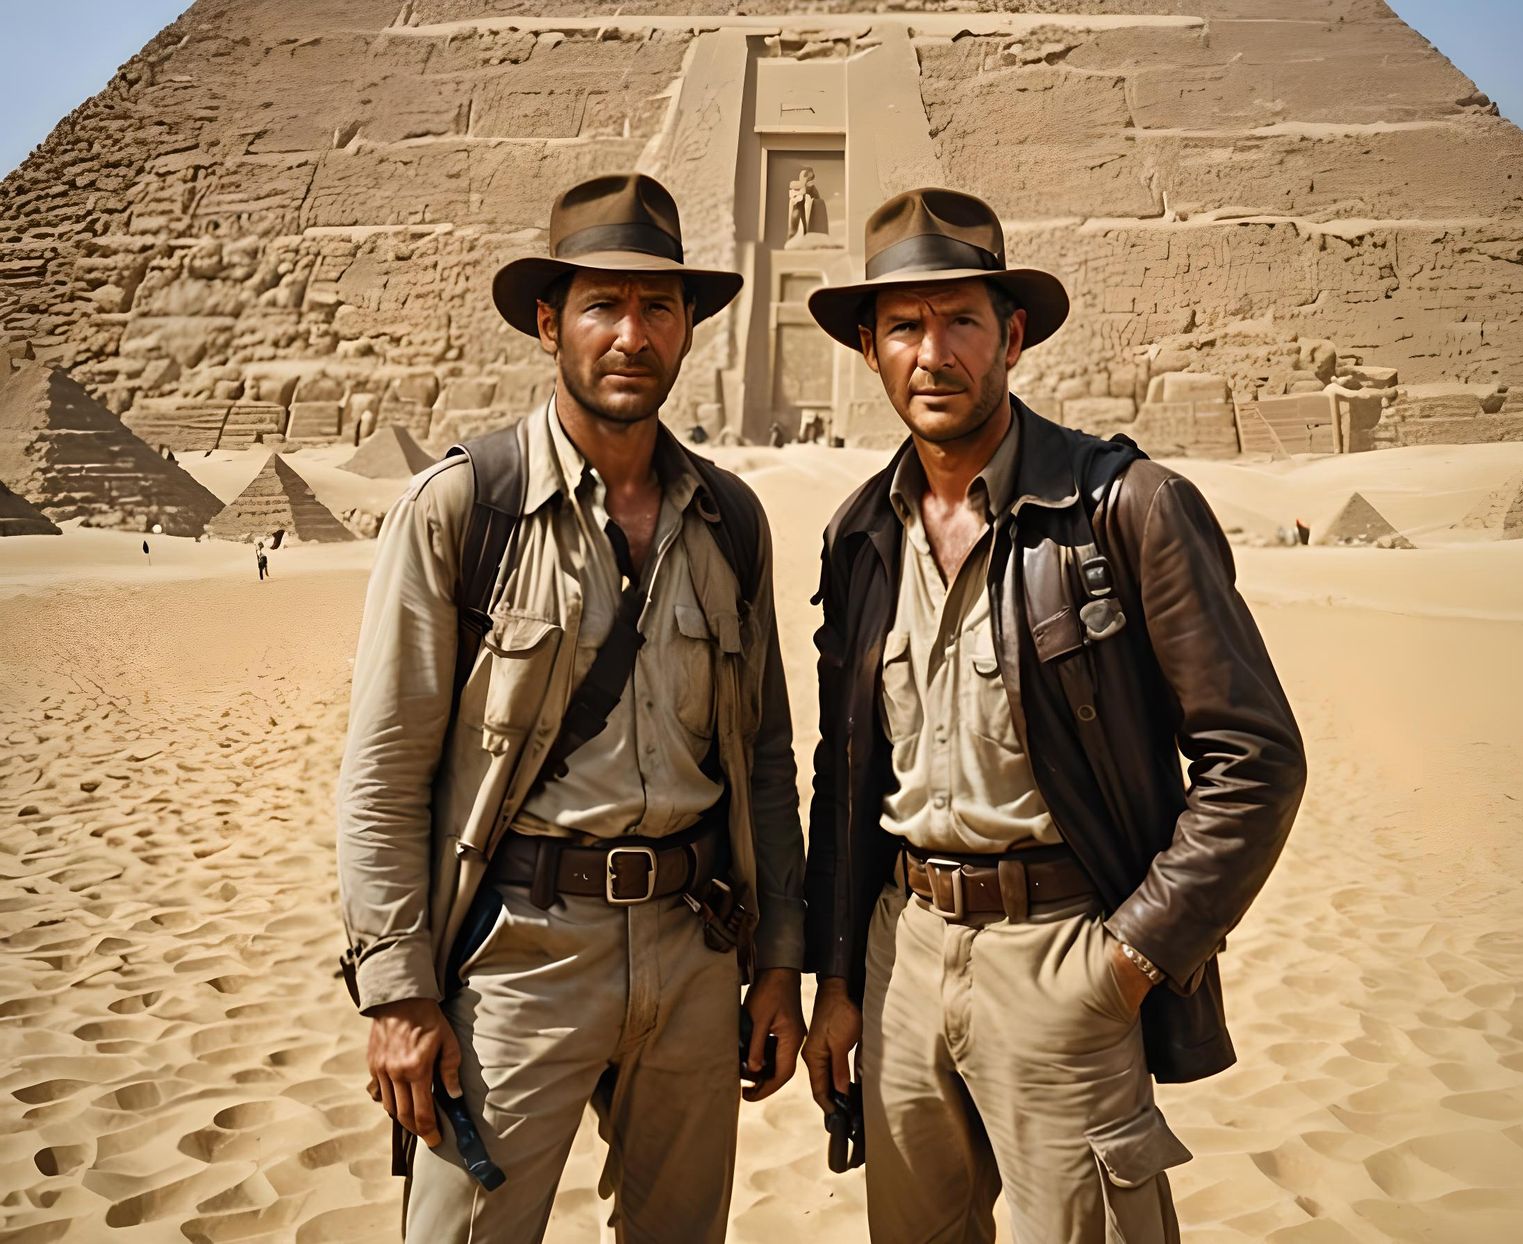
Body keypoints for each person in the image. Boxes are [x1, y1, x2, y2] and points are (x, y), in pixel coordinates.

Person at [799, 188, 1307, 1242]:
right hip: (900, 962)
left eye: (961, 320)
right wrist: (837, 979)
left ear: (1014, 335)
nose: (933, 353)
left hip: (1062, 956)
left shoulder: (1128, 508)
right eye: (903, 326)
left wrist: (1128, 959)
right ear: (868, 349)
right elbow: (842, 779)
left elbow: (1255, 759)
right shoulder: (860, 537)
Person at [336, 173, 806, 1242]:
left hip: (694, 949)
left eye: (657, 307)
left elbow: (766, 758)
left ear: (689, 326)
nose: (631, 335)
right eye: (603, 305)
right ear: (550, 323)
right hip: (519, 962)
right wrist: (399, 992)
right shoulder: (465, 509)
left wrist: (779, 961)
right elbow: (383, 772)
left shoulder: (730, 521)